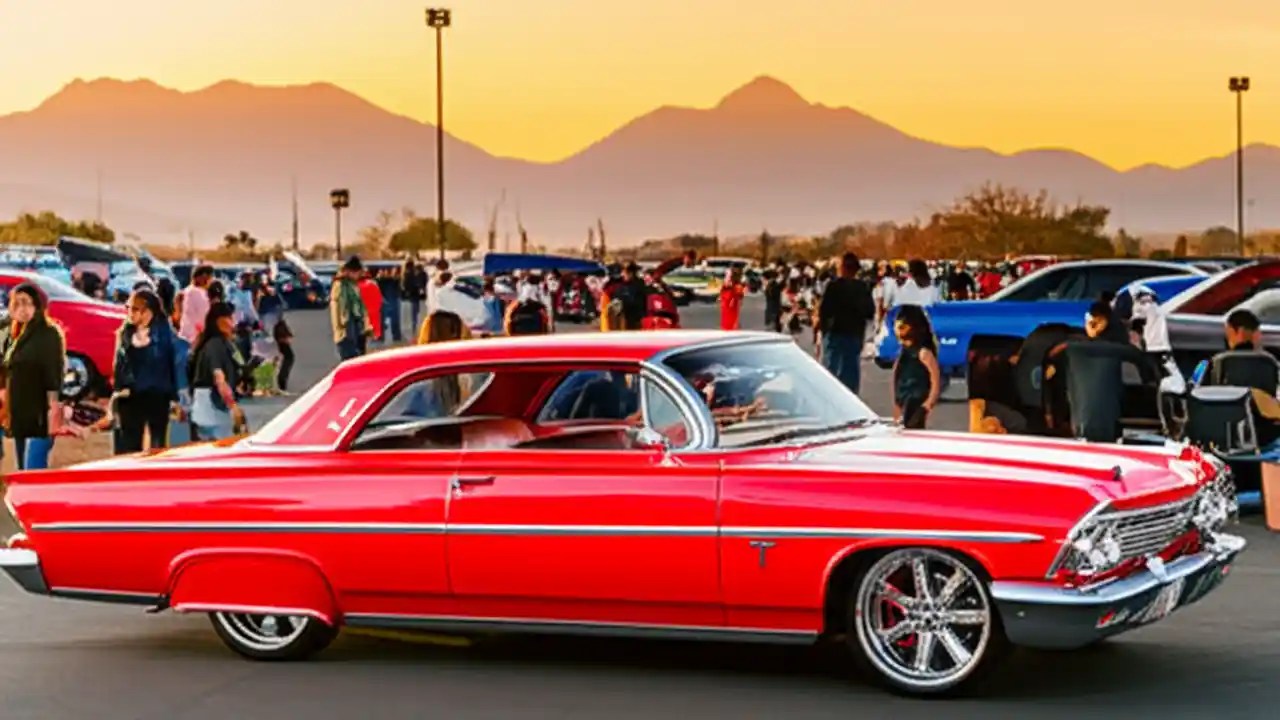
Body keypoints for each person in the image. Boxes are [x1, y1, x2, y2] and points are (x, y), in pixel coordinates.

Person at [0, 283, 73, 470]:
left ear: (37, 305)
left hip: (41, 410)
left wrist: (54, 406)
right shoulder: (12, 332)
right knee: (22, 467)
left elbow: (54, 373)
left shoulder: (48, 334)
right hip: (18, 411)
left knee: (33, 466)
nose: (22, 309)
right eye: (16, 304)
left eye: (27, 303)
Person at [113, 289, 185, 453]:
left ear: (148, 311)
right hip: (130, 395)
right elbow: (119, 365)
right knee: (127, 444)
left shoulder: (166, 334)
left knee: (157, 443)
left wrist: (176, 398)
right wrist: (118, 389)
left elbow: (173, 366)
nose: (130, 313)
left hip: (157, 394)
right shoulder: (125, 333)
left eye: (134, 309)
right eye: (129, 308)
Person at [816, 252, 876, 394]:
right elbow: (869, 312)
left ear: (842, 268)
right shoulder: (862, 288)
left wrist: (821, 331)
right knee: (850, 374)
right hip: (854, 335)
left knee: (831, 373)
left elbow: (824, 311)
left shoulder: (833, 286)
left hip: (834, 334)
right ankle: (849, 403)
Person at [189, 302, 245, 441]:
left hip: (208, 406)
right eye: (231, 318)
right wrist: (233, 406)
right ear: (220, 321)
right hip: (212, 407)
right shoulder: (215, 345)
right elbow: (219, 378)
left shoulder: (221, 344)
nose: (234, 323)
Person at [892, 305, 942, 429]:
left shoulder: (923, 353)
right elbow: (896, 376)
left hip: (918, 401)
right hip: (904, 399)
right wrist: (897, 402)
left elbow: (935, 380)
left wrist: (928, 404)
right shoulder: (903, 354)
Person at [329, 256, 372, 360]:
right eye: (357, 272)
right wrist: (346, 329)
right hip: (347, 329)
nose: (359, 275)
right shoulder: (341, 285)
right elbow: (342, 310)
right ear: (349, 271)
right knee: (351, 361)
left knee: (358, 361)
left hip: (356, 327)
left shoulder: (353, 284)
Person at [175, 264, 214, 345]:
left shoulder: (186, 291)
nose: (211, 281)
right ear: (204, 276)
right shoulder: (198, 293)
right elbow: (204, 317)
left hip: (183, 336)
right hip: (194, 340)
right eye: (210, 277)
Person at [377, 266, 403, 342]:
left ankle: (382, 336)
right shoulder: (390, 280)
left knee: (384, 319)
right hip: (390, 299)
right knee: (393, 319)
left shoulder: (383, 280)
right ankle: (396, 336)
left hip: (387, 300)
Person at [402, 259, 428, 333]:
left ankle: (414, 325)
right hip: (420, 295)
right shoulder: (420, 273)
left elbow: (405, 285)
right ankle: (419, 326)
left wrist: (406, 291)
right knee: (419, 311)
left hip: (413, 294)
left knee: (414, 311)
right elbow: (425, 282)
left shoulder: (407, 273)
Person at [359, 269, 384, 346]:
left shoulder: (357, 285)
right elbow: (380, 298)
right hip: (375, 311)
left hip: (364, 313)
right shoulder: (373, 283)